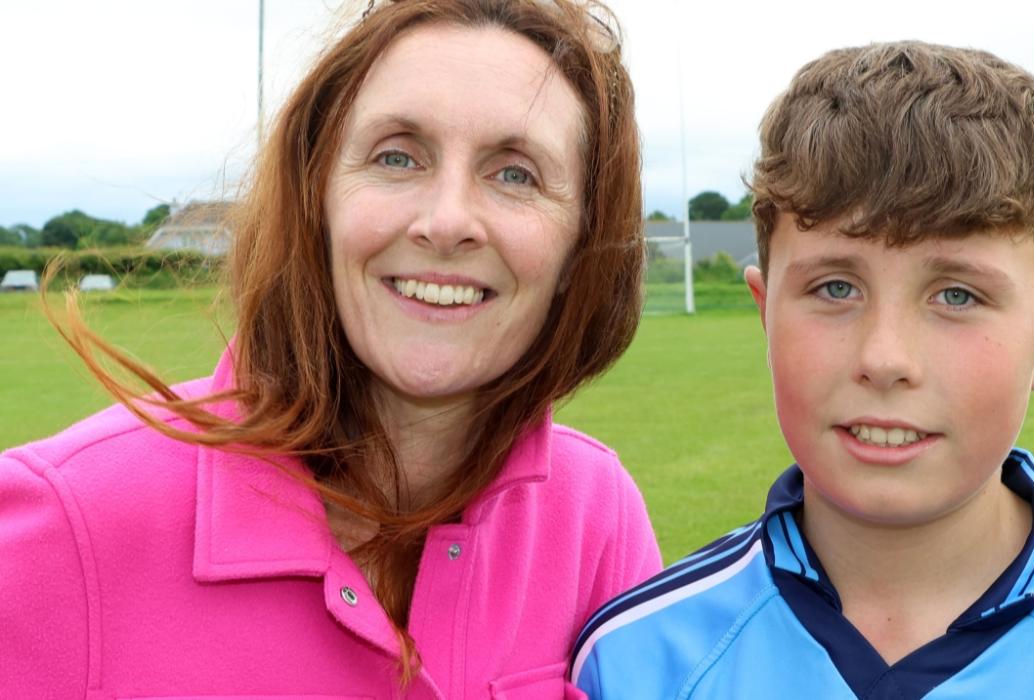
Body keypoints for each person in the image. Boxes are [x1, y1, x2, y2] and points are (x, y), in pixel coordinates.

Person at [0, 1, 662, 697]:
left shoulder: (595, 514)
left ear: (579, 248)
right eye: (397, 156)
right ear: (316, 196)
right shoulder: (66, 524)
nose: (446, 222)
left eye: (515, 173)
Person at [570, 41, 1034, 698]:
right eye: (836, 288)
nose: (885, 359)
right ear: (765, 313)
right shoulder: (636, 661)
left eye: (957, 295)